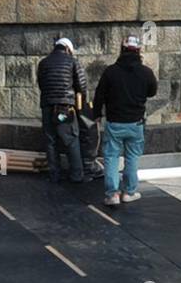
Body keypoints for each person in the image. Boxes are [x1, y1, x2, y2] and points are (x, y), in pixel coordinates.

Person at [91, 34, 158, 206]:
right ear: (139, 51)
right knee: (132, 157)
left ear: (121, 49)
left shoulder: (110, 71)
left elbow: (99, 94)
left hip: (114, 122)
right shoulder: (146, 72)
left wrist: (97, 113)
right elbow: (152, 92)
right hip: (136, 122)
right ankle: (129, 192)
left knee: (111, 157)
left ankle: (112, 194)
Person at [36, 36, 87, 184]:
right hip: (65, 108)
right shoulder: (72, 62)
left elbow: (41, 83)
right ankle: (76, 175)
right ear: (67, 49)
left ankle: (54, 175)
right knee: (71, 138)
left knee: (50, 140)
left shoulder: (43, 63)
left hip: (47, 106)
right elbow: (81, 85)